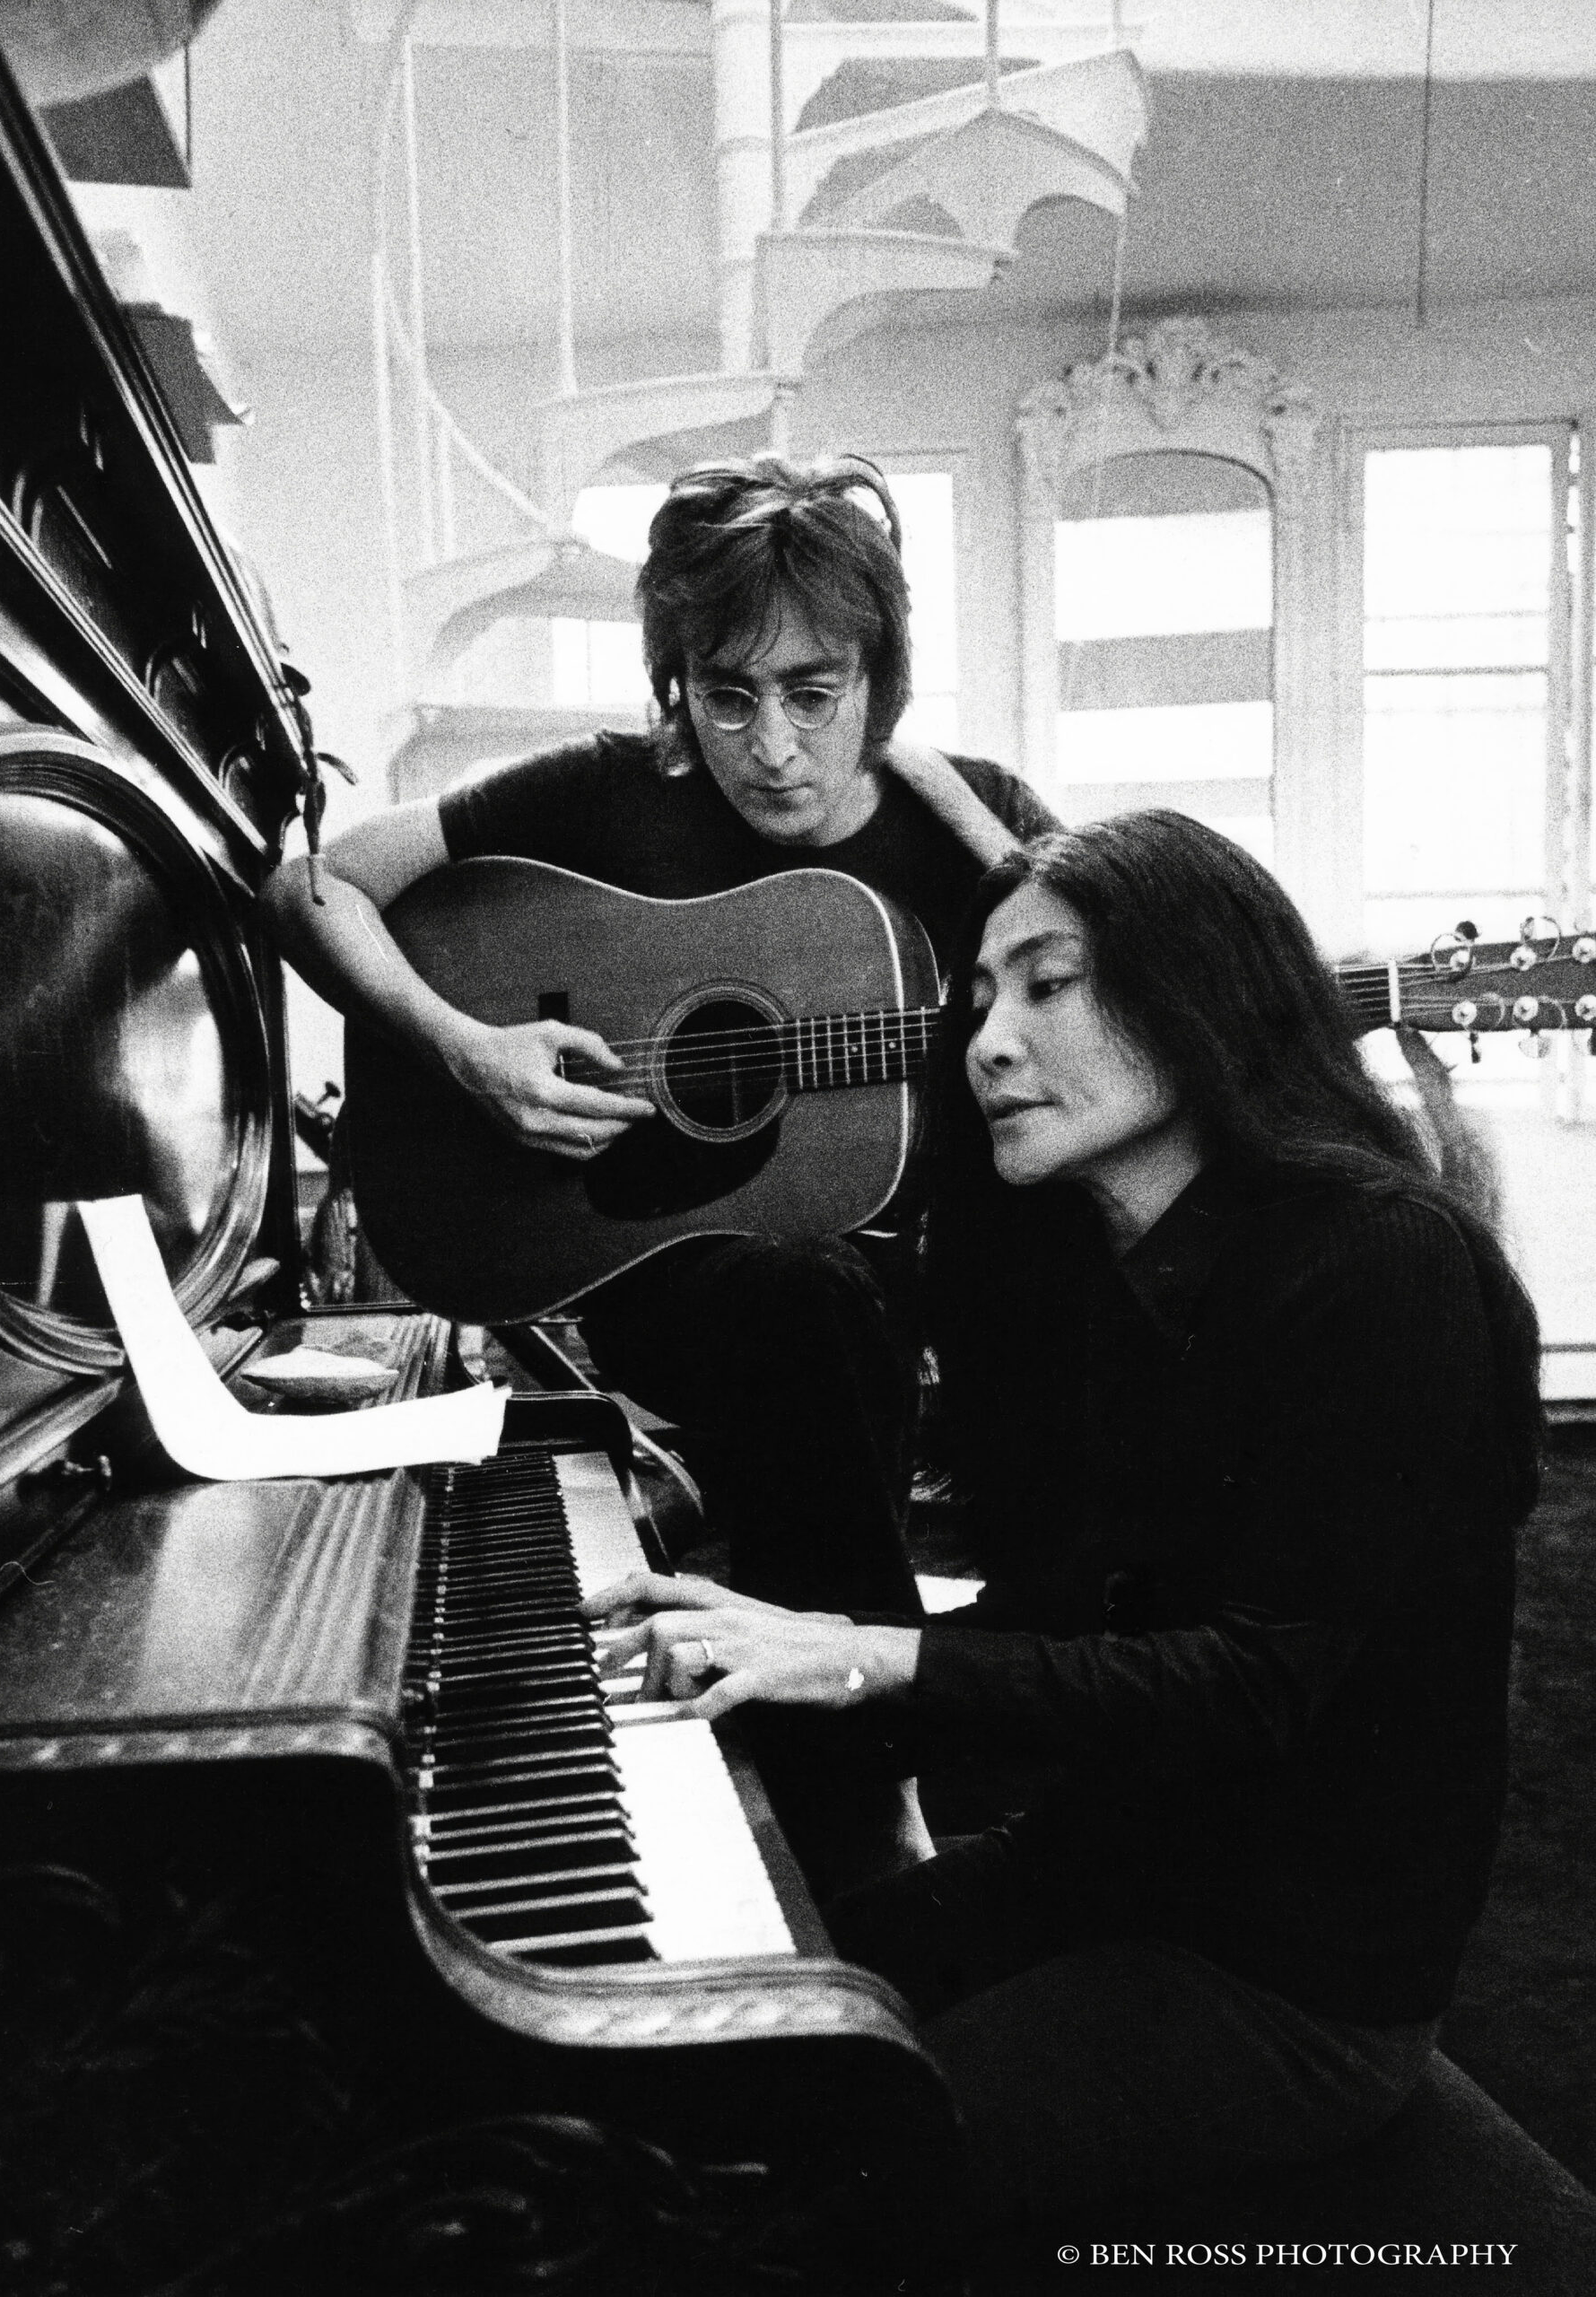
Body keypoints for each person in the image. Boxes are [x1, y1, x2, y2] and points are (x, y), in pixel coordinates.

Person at [588, 808, 1540, 2222]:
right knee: (731, 2029)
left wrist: (856, 1654)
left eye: (1049, 982)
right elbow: (1066, 1615)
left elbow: (1254, 1684)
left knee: (797, 2174)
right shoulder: (1099, 1265)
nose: (984, 1043)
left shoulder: (1381, 1263)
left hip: (1297, 1979)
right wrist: (762, 1656)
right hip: (1115, 1875)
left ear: (1203, 988)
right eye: (979, 1000)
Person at [262, 453, 1055, 1673]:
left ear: (881, 683)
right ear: (678, 688)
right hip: (678, 1275)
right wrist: (471, 1052)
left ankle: (987, 1695)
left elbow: (1139, 971)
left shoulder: (970, 812)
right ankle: (860, 1727)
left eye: (813, 693)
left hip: (945, 1281)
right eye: (726, 696)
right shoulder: (607, 793)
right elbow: (312, 887)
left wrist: (993, 845)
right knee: (806, 1298)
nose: (771, 746)